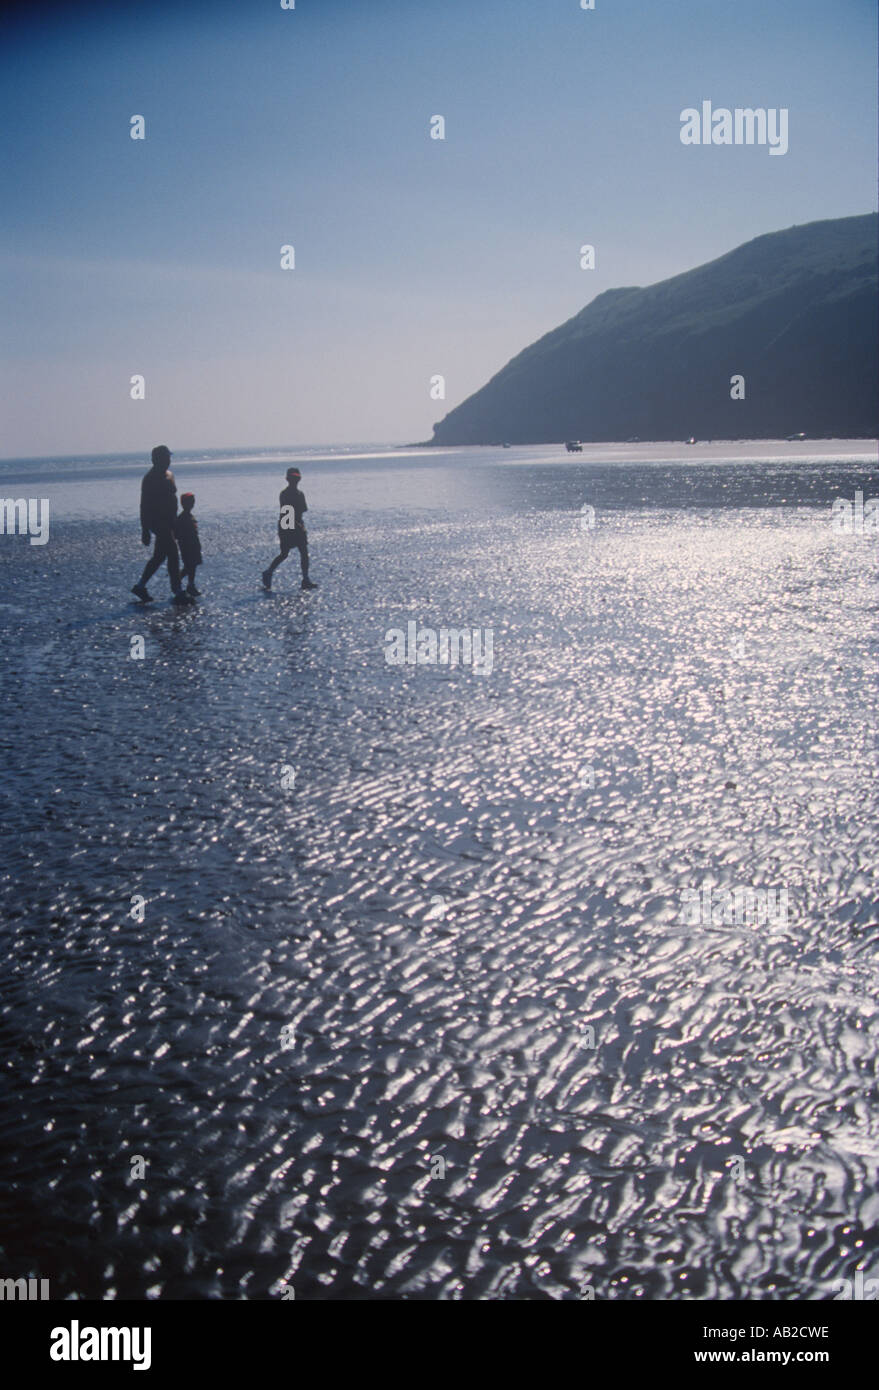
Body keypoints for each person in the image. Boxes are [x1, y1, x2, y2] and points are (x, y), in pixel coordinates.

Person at [131, 445, 189, 604]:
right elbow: (144, 505)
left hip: (170, 521)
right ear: (156, 460)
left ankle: (140, 586)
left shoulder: (170, 475)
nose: (168, 461)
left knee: (159, 556)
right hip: (157, 522)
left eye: (169, 458)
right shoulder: (149, 479)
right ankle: (177, 590)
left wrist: (176, 523)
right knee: (173, 553)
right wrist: (145, 530)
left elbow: (173, 500)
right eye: (165, 458)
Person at [262, 466, 318, 591]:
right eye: (292, 478)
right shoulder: (285, 494)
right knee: (284, 554)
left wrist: (299, 524)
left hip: (297, 525)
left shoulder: (299, 494)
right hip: (287, 526)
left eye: (296, 478)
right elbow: (289, 511)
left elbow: (303, 509)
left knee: (304, 553)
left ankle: (305, 579)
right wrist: (292, 526)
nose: (294, 480)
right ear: (288, 479)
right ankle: (268, 572)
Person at [175, 492, 203, 597]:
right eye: (190, 502)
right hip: (186, 546)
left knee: (192, 565)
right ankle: (177, 583)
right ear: (184, 504)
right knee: (189, 566)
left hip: (194, 545)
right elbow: (177, 534)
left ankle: (190, 585)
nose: (192, 504)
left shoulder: (190, 516)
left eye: (192, 502)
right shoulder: (182, 518)